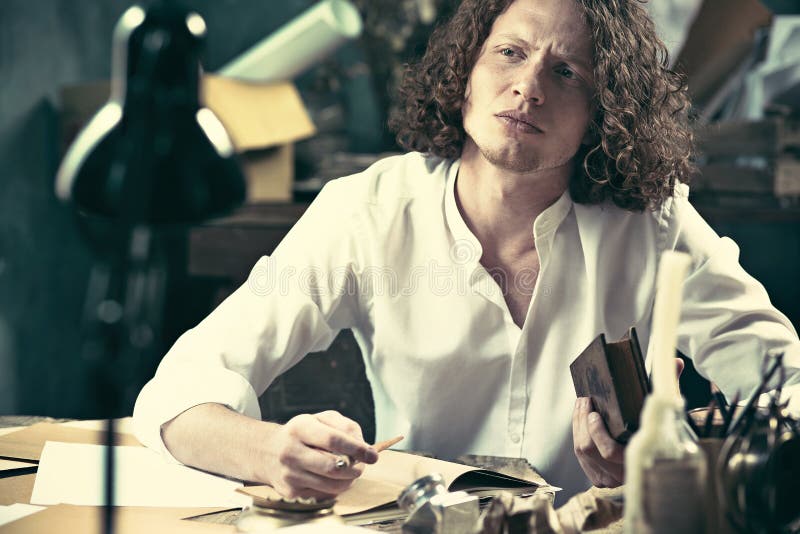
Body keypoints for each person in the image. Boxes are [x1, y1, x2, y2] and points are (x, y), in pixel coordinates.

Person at [133, 0, 800, 502]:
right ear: (466, 70)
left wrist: (670, 450)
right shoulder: (365, 211)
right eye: (510, 52)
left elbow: (789, 390)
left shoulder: (652, 226)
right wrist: (270, 450)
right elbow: (176, 394)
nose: (529, 86)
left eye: (566, 72)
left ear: (606, 111)